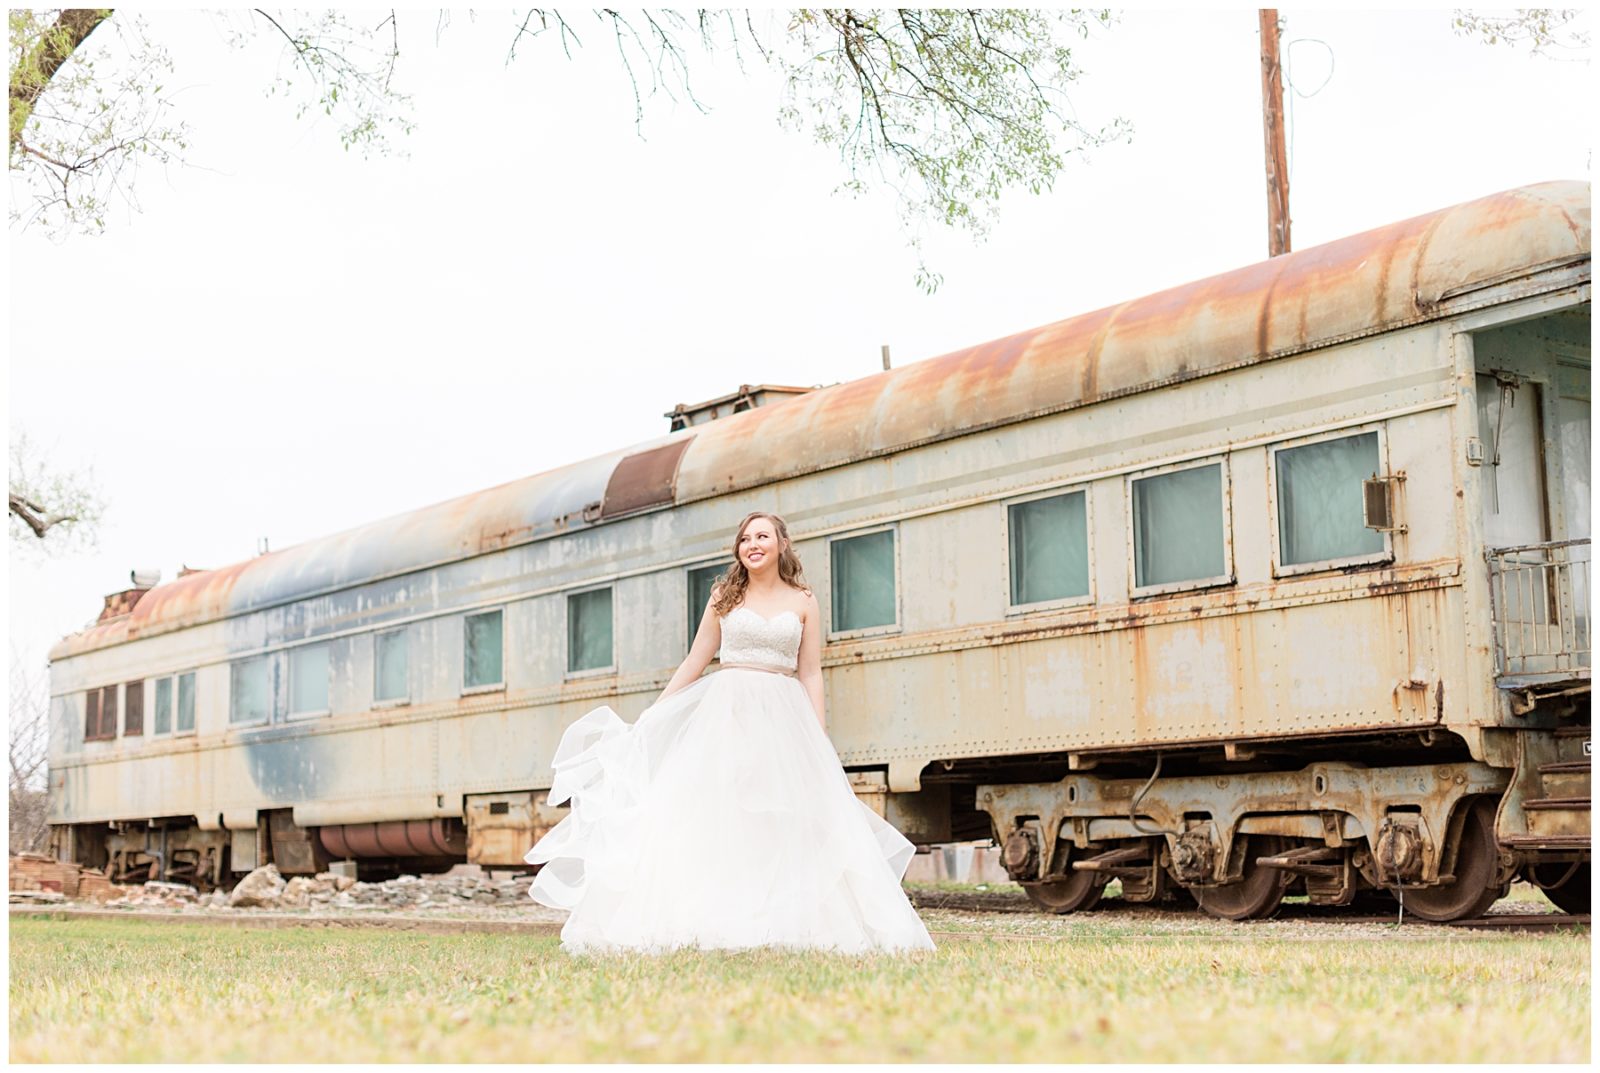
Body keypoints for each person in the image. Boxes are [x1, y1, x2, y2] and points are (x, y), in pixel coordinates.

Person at [524, 511, 936, 954]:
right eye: (744, 539)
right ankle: (715, 917)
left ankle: (782, 921)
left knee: (781, 817)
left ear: (782, 544)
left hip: (782, 719)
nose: (752, 544)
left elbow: (811, 673)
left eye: (762, 536)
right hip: (726, 715)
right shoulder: (724, 595)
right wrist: (654, 713)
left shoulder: (804, 600)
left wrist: (817, 736)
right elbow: (695, 659)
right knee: (719, 814)